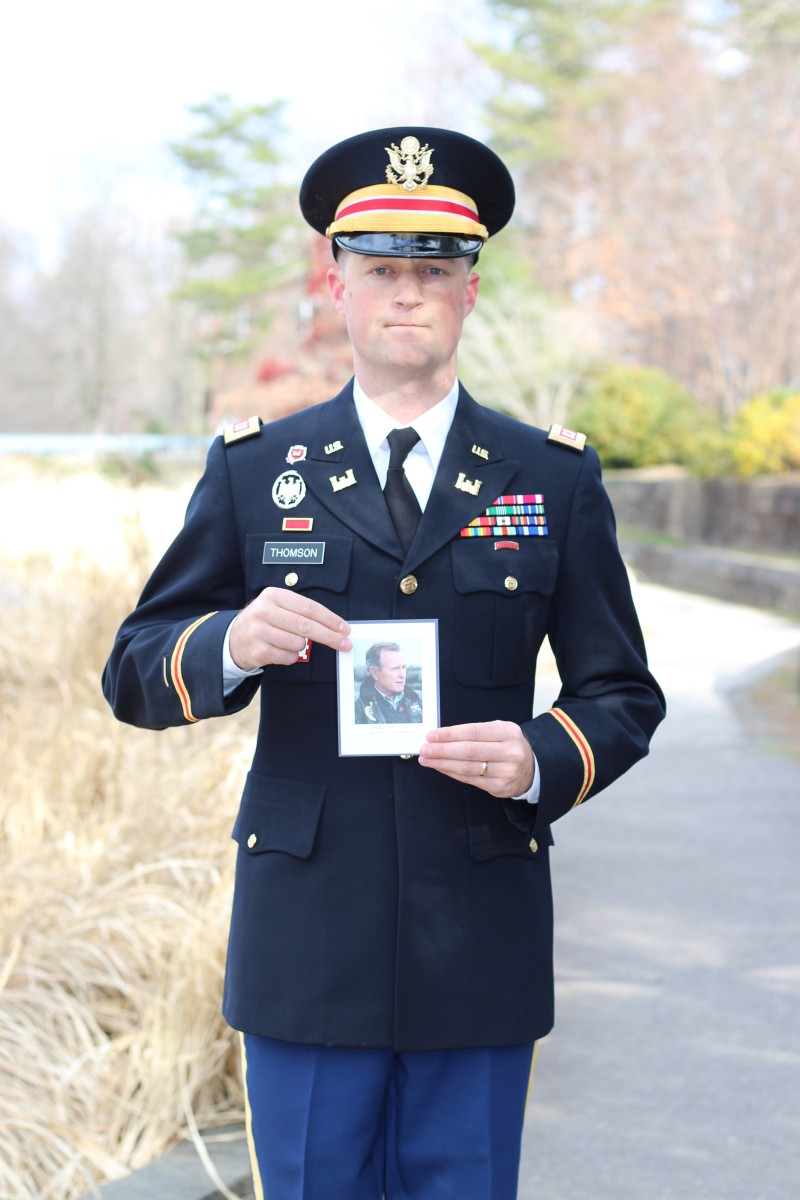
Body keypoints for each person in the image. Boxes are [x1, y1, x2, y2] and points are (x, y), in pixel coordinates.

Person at [103, 126, 665, 1200]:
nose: (408, 292)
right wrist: (229, 643)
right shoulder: (257, 469)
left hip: (479, 932)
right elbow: (133, 669)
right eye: (380, 269)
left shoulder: (549, 478)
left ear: (470, 291)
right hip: (309, 938)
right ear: (337, 287)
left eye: (434, 269)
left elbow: (620, 694)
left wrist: (540, 755)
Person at [355, 641, 422, 724]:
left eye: (403, 667)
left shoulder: (421, 699)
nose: (402, 675)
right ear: (375, 673)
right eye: (394, 669)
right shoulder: (357, 707)